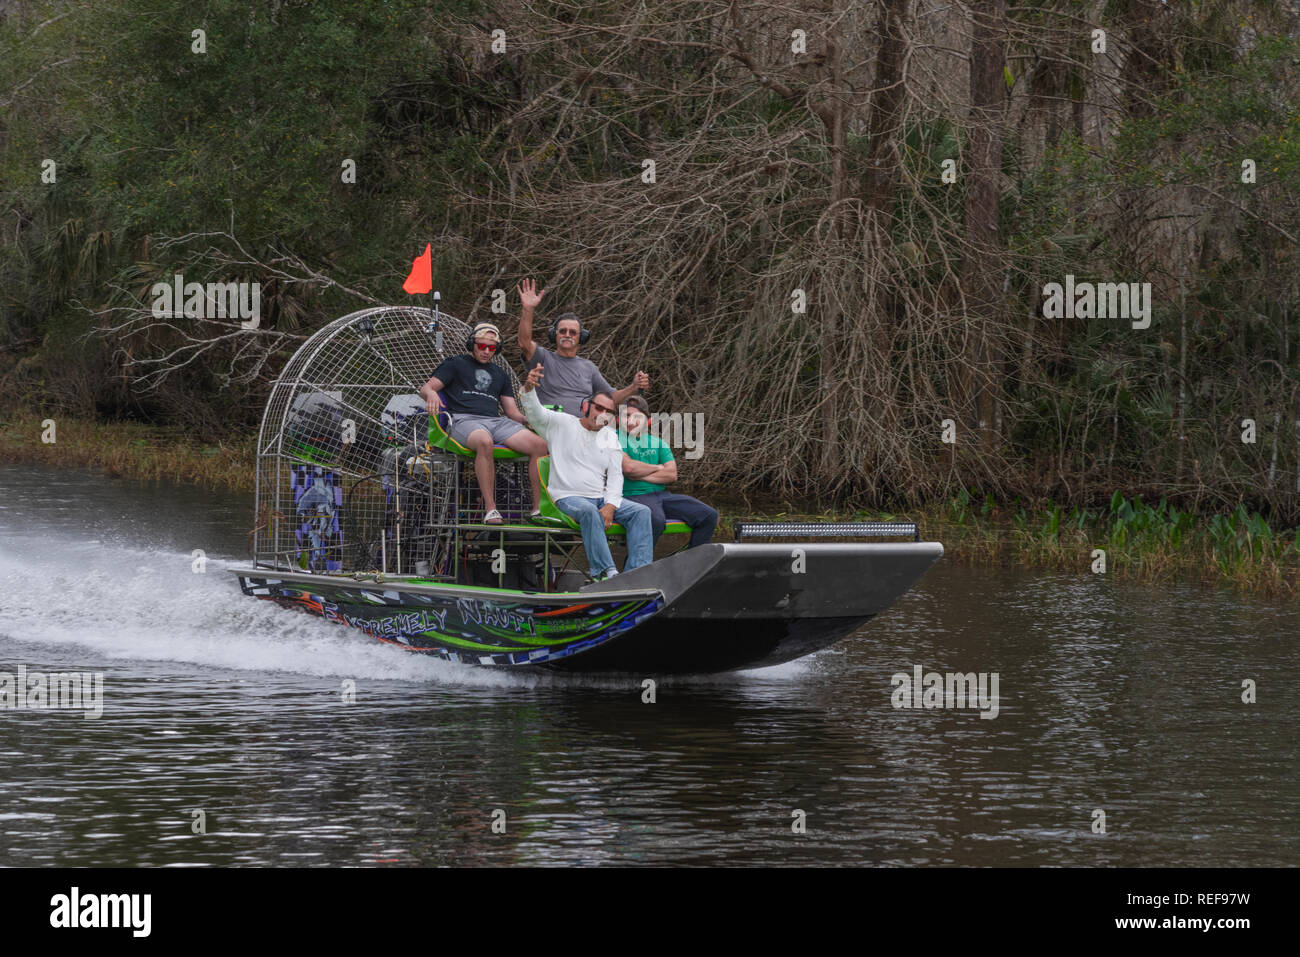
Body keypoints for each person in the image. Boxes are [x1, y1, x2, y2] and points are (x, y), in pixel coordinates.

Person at [519, 363, 652, 581]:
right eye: (598, 408)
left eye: (608, 412)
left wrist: (610, 505)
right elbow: (535, 413)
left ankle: (637, 574)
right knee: (590, 513)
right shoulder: (561, 424)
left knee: (642, 512)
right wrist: (529, 388)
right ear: (586, 408)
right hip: (566, 498)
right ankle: (606, 574)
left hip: (600, 498)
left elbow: (616, 476)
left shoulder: (610, 436)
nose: (602, 414)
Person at [418, 322, 547, 524]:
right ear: (472, 344)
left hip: (496, 421)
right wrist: (432, 394)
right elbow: (426, 388)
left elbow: (511, 412)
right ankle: (491, 509)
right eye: (482, 346)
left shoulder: (500, 373)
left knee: (540, 445)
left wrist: (528, 420)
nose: (486, 351)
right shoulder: (455, 363)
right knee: (484, 441)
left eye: (492, 348)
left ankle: (538, 509)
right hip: (463, 420)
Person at [516, 278, 649, 416]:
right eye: (562, 331)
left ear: (581, 337)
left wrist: (633, 387)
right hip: (550, 424)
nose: (567, 335)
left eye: (572, 332)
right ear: (554, 335)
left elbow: (610, 398)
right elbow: (524, 342)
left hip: (583, 427)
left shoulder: (589, 367)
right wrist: (528, 309)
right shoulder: (543, 357)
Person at [618, 395, 718, 549]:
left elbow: (671, 474)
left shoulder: (658, 443)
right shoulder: (614, 438)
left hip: (661, 496)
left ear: (647, 420)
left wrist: (639, 474)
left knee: (708, 515)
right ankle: (636, 567)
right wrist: (658, 468)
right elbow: (629, 468)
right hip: (631, 496)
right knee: (655, 519)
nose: (631, 421)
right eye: (626, 415)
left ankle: (692, 565)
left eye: (637, 416)